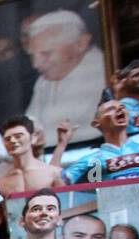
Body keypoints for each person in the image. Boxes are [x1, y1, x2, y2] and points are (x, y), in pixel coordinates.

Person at [24, 10, 107, 143]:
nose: (36, 64)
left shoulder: (100, 73)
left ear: (81, 44)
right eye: (33, 56)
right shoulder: (44, 80)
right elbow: (29, 125)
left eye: (46, 54)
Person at [62, 100, 139, 185]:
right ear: (96, 123)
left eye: (122, 107)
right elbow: (57, 181)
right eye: (111, 109)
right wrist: (62, 144)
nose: (119, 110)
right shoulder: (91, 160)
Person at [0, 115, 69, 197]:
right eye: (7, 139)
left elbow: (65, 205)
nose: (12, 141)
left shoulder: (54, 174)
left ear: (33, 138)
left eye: (18, 136)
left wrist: (62, 144)